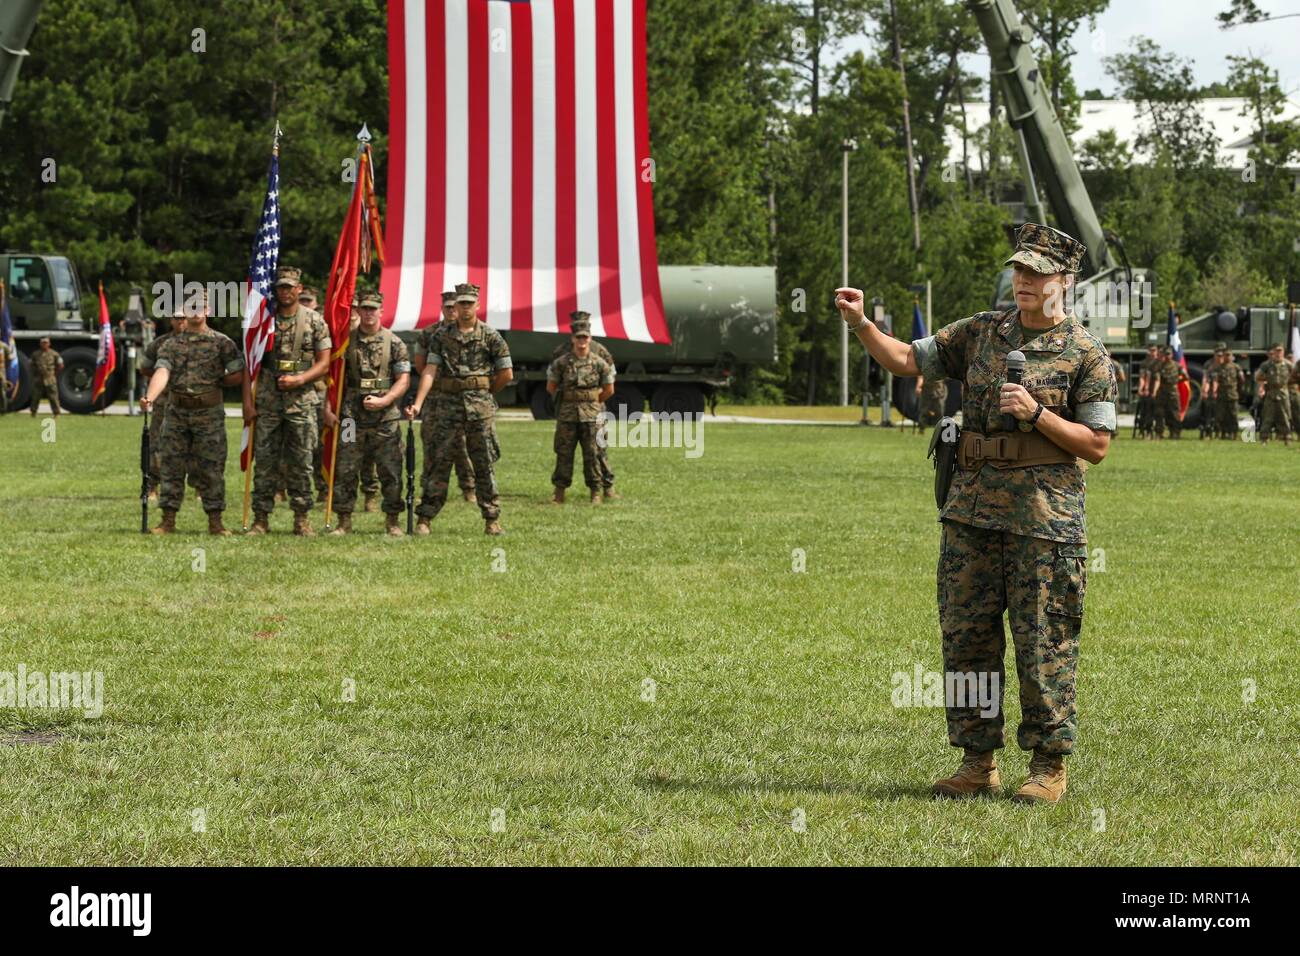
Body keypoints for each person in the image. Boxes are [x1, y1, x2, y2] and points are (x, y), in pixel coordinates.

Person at [836, 223, 1116, 805]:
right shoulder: (982, 334)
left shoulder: (1087, 354)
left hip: (1045, 522)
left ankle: (1048, 767)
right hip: (971, 515)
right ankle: (976, 761)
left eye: (1037, 272)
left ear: (1064, 282)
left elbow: (1096, 444)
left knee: (1045, 641)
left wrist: (1038, 414)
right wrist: (862, 323)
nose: (1023, 280)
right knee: (967, 638)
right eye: (1019, 270)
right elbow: (906, 360)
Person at [406, 282, 512, 536]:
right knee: (438, 462)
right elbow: (429, 370)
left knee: (483, 463)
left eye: (468, 303)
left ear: (478, 305)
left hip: (479, 411)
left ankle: (491, 518)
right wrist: (418, 404)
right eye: (460, 303)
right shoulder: (441, 337)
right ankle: (425, 519)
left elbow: (506, 374)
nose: (464, 308)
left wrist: (483, 393)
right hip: (447, 407)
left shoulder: (491, 336)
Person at [140, 294, 245, 535]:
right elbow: (162, 371)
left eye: (200, 307)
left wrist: (217, 382)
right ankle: (168, 520)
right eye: (190, 307)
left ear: (208, 309)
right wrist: (150, 397)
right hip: (177, 413)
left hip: (209, 414)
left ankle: (215, 522)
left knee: (211, 468)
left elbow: (239, 373)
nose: (196, 311)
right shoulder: (172, 344)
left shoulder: (222, 342)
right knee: (171, 466)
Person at [244, 266, 332, 535]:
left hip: (302, 401)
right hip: (268, 401)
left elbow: (325, 362)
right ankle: (260, 519)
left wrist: (300, 379)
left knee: (302, 461)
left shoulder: (315, 321)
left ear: (299, 289)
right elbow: (250, 365)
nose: (284, 292)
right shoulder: (263, 320)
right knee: (266, 461)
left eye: (289, 287)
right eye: (280, 287)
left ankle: (302, 518)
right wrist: (248, 403)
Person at [326, 290, 410, 535]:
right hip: (351, 417)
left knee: (390, 468)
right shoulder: (345, 341)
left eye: (374, 309)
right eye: (365, 308)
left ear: (381, 311)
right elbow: (331, 378)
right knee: (346, 467)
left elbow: (403, 380)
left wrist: (387, 401)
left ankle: (392, 521)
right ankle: (344, 521)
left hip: (386, 418)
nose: (369, 313)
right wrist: (328, 408)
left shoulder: (394, 343)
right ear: (358, 311)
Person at [414, 289, 477, 503]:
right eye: (448, 307)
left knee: (464, 445)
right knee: (432, 443)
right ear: (442, 308)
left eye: (454, 306)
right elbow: (421, 365)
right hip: (435, 398)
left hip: (464, 398)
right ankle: (429, 487)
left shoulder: (471, 332)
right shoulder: (430, 333)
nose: (452, 310)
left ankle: (469, 488)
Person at [547, 312, 615, 504]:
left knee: (592, 453)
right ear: (573, 338)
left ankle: (596, 491)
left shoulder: (599, 362)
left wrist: (591, 400)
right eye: (578, 337)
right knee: (563, 453)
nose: (582, 340)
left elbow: (609, 389)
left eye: (585, 337)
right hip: (568, 414)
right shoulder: (562, 362)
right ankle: (559, 492)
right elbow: (551, 387)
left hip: (592, 415)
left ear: (590, 338)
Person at [140, 309, 189, 501]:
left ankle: (200, 488)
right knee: (156, 444)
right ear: (171, 320)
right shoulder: (160, 343)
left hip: (189, 402)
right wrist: (161, 381)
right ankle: (152, 486)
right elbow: (145, 367)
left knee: (194, 446)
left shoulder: (202, 341)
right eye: (177, 318)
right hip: (164, 403)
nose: (181, 322)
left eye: (184, 318)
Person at [1254, 343, 1292, 444]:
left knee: (1285, 416)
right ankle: (1264, 438)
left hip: (1283, 392)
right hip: (1271, 393)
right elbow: (1257, 377)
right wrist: (1265, 381)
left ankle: (1287, 437)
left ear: (1283, 352)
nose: (1278, 353)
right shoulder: (1267, 365)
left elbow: (1294, 376)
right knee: (1267, 416)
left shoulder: (1288, 364)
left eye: (1280, 351)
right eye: (1277, 351)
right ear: (1274, 352)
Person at [1151, 345, 1181, 440]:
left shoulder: (1177, 365)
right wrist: (1155, 391)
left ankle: (1175, 432)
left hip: (1173, 393)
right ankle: (1159, 433)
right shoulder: (1159, 366)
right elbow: (1157, 380)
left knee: (1174, 413)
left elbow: (1185, 376)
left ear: (1172, 355)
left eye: (1169, 354)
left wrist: (1175, 382)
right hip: (1162, 393)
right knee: (1159, 413)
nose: (1167, 356)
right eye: (1166, 354)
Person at [29, 338, 63, 417]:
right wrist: (35, 374)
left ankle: (56, 413)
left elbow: (60, 365)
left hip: (50, 379)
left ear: (49, 344)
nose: (44, 344)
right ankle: (33, 412)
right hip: (39, 379)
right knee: (36, 397)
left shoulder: (55, 354)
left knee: (53, 397)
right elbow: (31, 365)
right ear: (40, 344)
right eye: (43, 343)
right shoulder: (35, 354)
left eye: (46, 343)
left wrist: (54, 374)